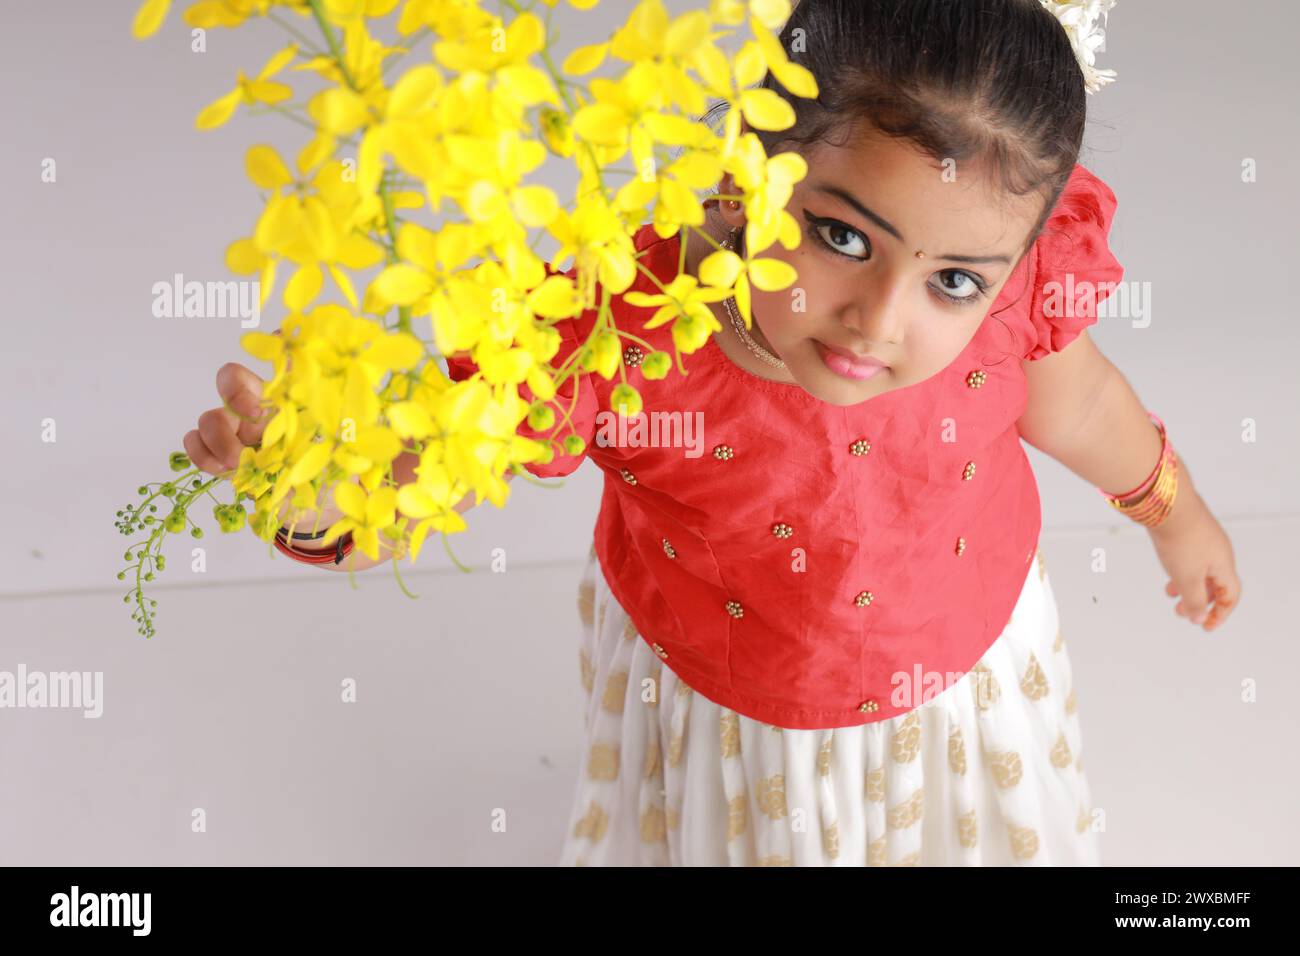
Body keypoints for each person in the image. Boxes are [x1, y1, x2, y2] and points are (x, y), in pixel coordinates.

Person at [182, 0, 1241, 865]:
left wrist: (1172, 512)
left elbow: (1078, 401)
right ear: (744, 177)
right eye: (838, 235)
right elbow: (451, 456)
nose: (878, 318)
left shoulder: (1017, 292)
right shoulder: (617, 324)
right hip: (743, 715)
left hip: (960, 670)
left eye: (953, 280)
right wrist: (321, 489)